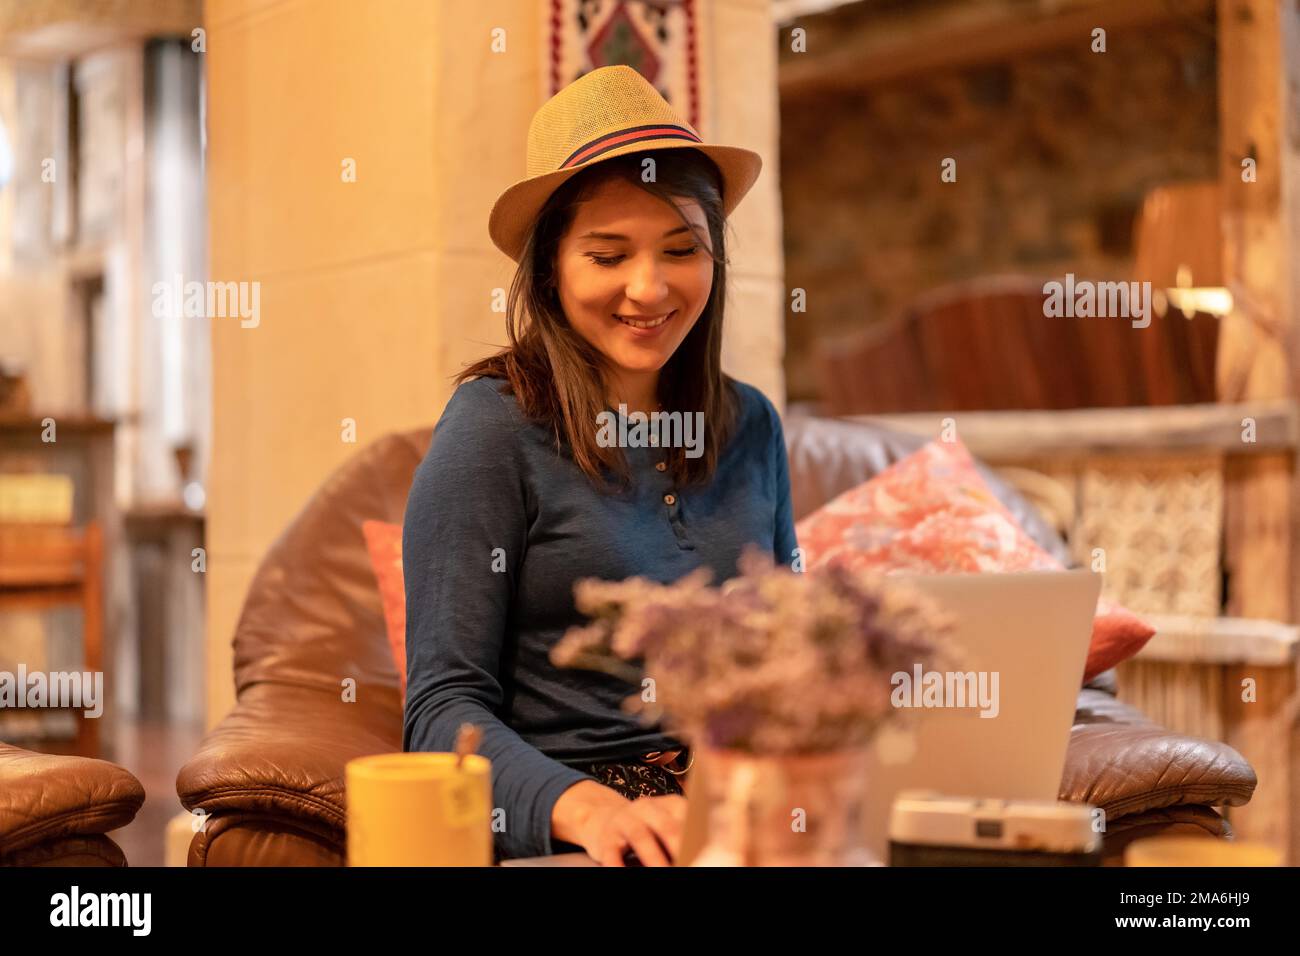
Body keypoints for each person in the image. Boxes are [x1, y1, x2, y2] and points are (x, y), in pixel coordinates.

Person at [402, 65, 798, 867]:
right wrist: (587, 812)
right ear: (551, 269)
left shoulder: (750, 423)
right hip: (582, 829)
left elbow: (782, 663)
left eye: (681, 249)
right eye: (608, 255)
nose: (649, 288)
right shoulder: (491, 427)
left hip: (747, 821)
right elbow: (440, 711)